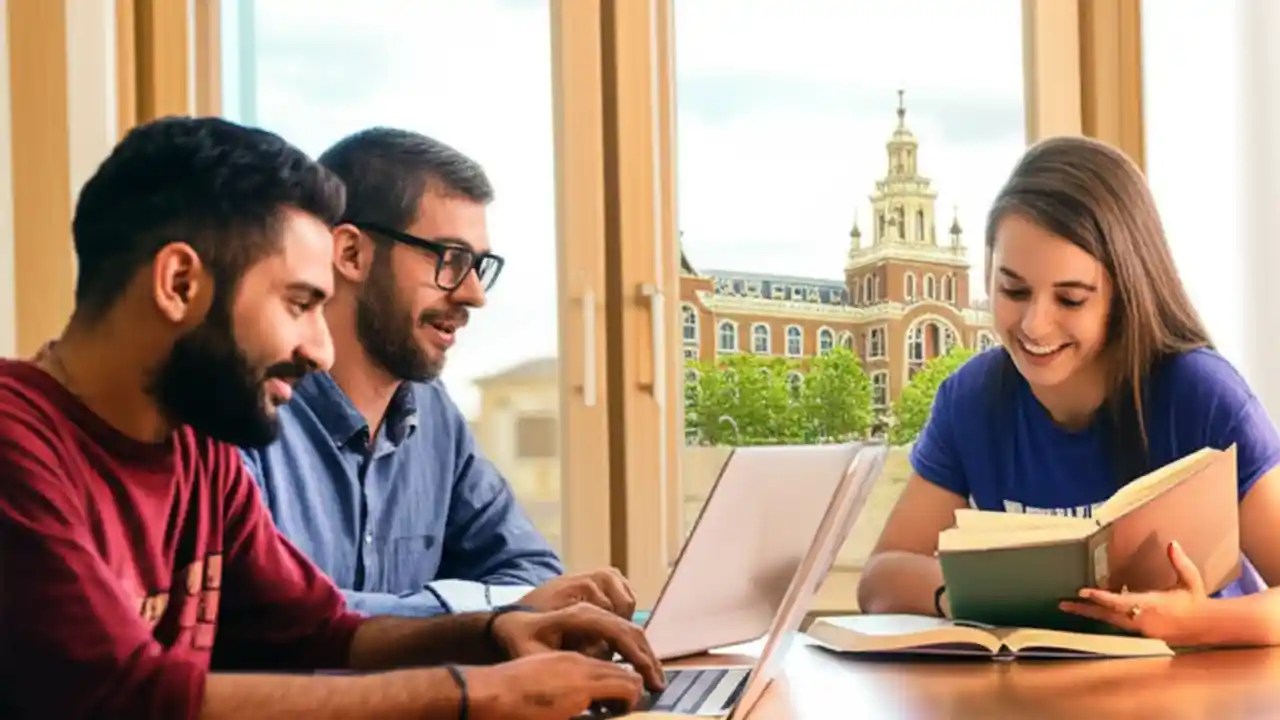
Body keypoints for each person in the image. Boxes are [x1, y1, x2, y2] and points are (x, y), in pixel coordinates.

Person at [0, 116, 662, 719]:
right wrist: (468, 694)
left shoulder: (195, 451)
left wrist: (491, 632)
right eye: (298, 303)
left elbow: (319, 627)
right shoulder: (15, 438)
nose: (319, 350)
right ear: (179, 284)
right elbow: (126, 696)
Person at [857, 135, 1280, 648]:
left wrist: (1192, 623)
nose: (1035, 325)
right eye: (1013, 290)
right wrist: (967, 596)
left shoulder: (1201, 394)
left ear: (1124, 293)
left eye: (1071, 299)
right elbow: (881, 578)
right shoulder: (971, 399)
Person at [239, 127, 636, 619]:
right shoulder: (247, 411)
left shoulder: (432, 413)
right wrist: (482, 618)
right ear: (350, 255)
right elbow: (271, 614)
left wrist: (492, 612)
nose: (474, 294)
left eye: (480, 266)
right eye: (451, 260)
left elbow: (530, 572)